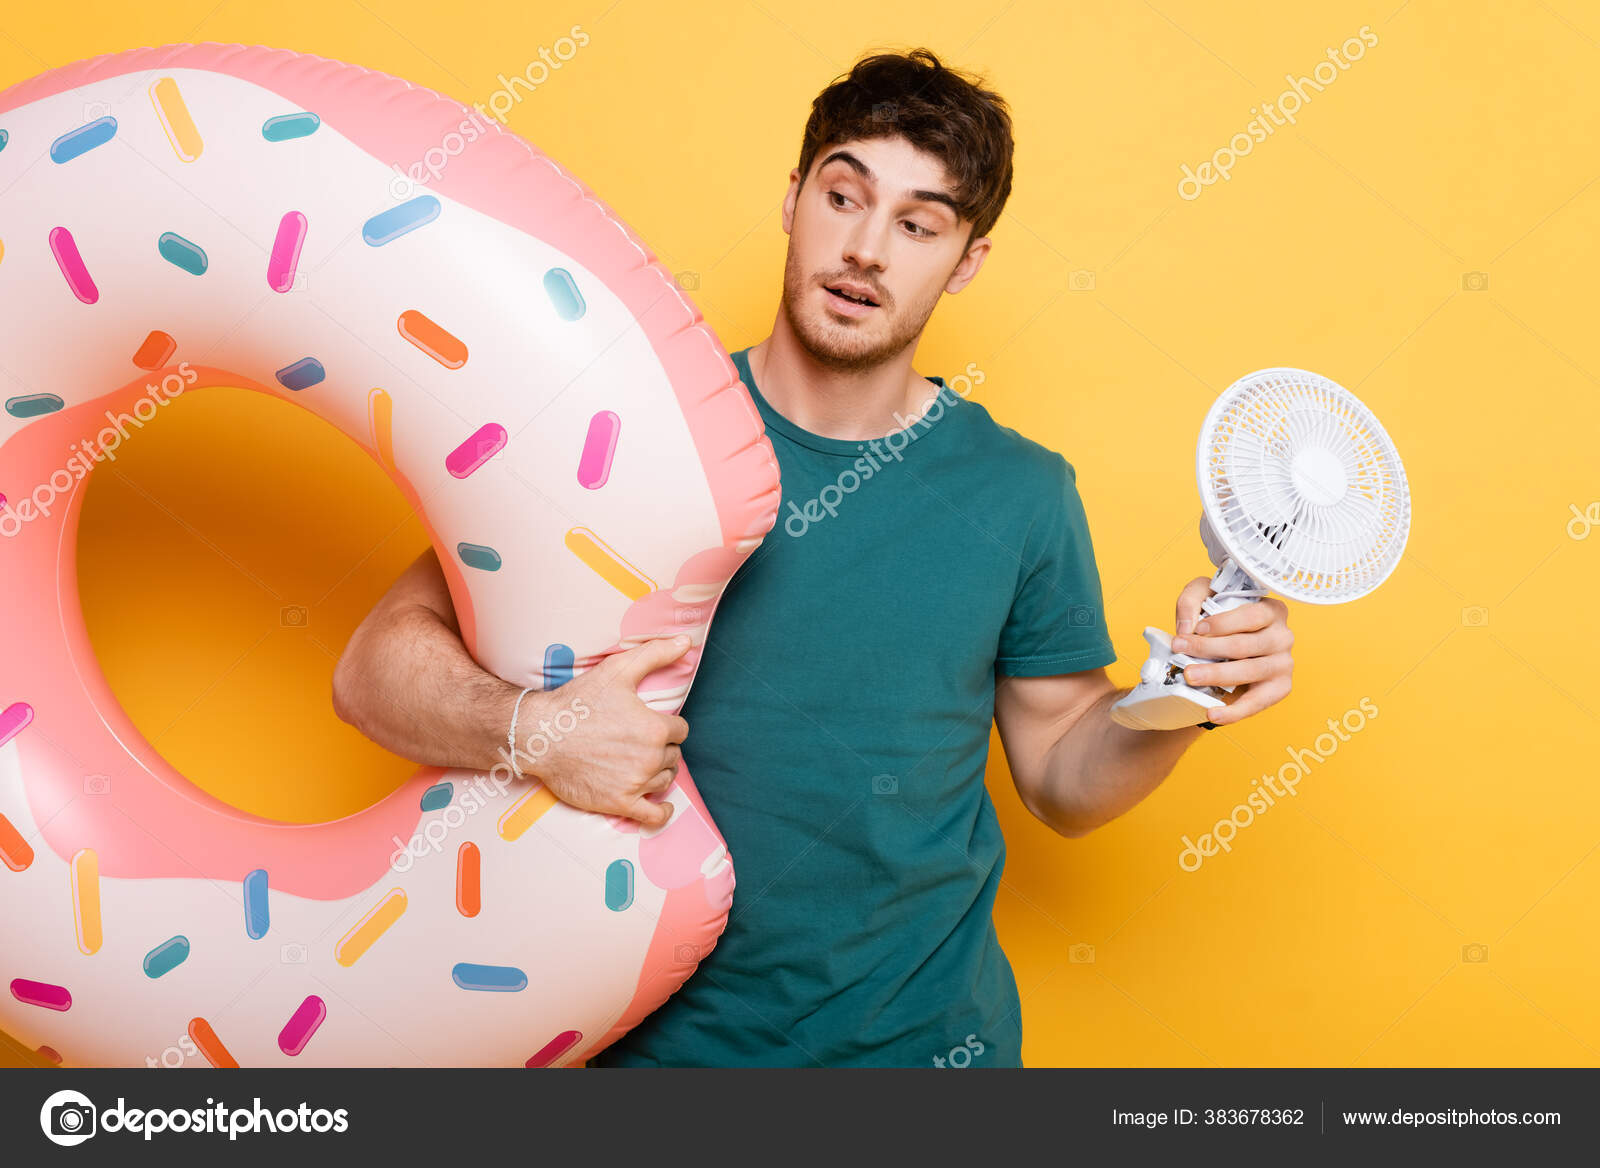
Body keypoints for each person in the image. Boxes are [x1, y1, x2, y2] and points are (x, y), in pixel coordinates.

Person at [332, 47, 1295, 1067]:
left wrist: (1185, 696)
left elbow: (1061, 771)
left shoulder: (1020, 492)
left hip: (922, 1048)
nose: (868, 249)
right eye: (845, 196)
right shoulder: (629, 428)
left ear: (966, 259)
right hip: (649, 1048)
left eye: (918, 225)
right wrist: (541, 730)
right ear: (794, 199)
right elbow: (371, 670)